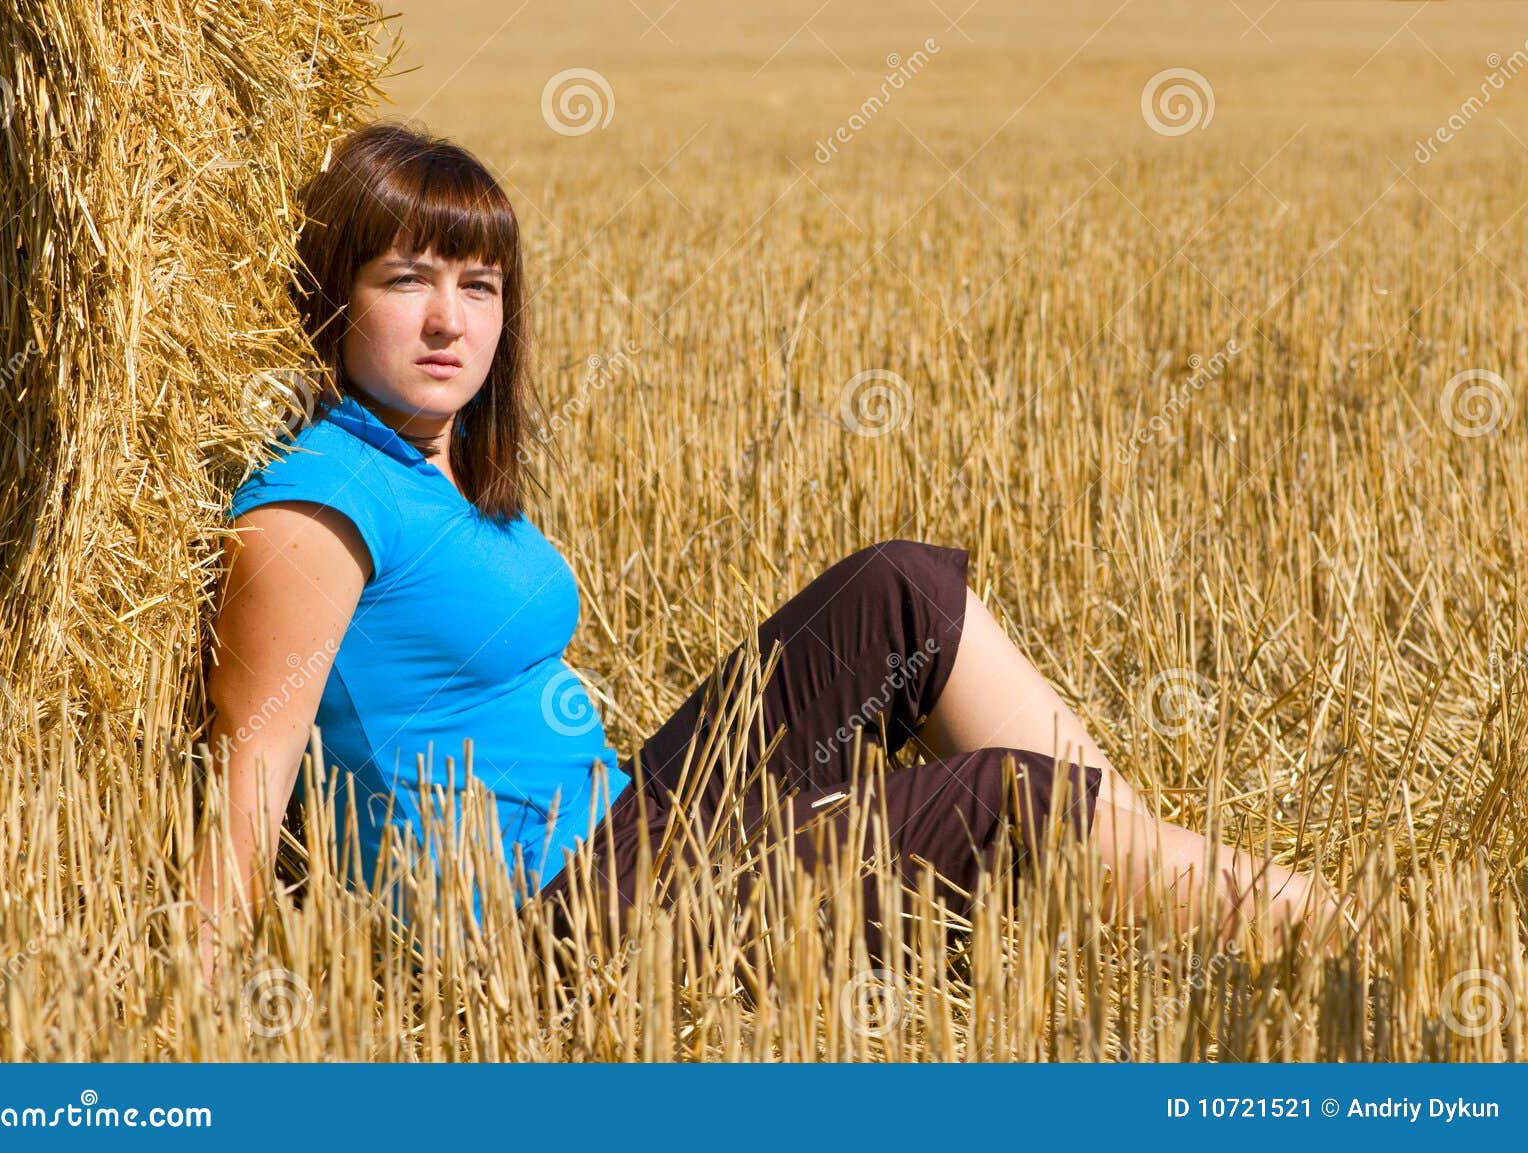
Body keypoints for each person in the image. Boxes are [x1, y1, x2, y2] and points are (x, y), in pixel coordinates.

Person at [193, 121, 1359, 983]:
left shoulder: (427, 468)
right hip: (556, 932)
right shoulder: (317, 508)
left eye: (479, 284)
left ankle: (1158, 874)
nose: (451, 319)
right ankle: (1340, 937)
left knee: (900, 584)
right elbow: (249, 789)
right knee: (1009, 796)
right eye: (405, 281)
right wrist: (191, 1028)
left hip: (625, 835)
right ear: (333, 301)